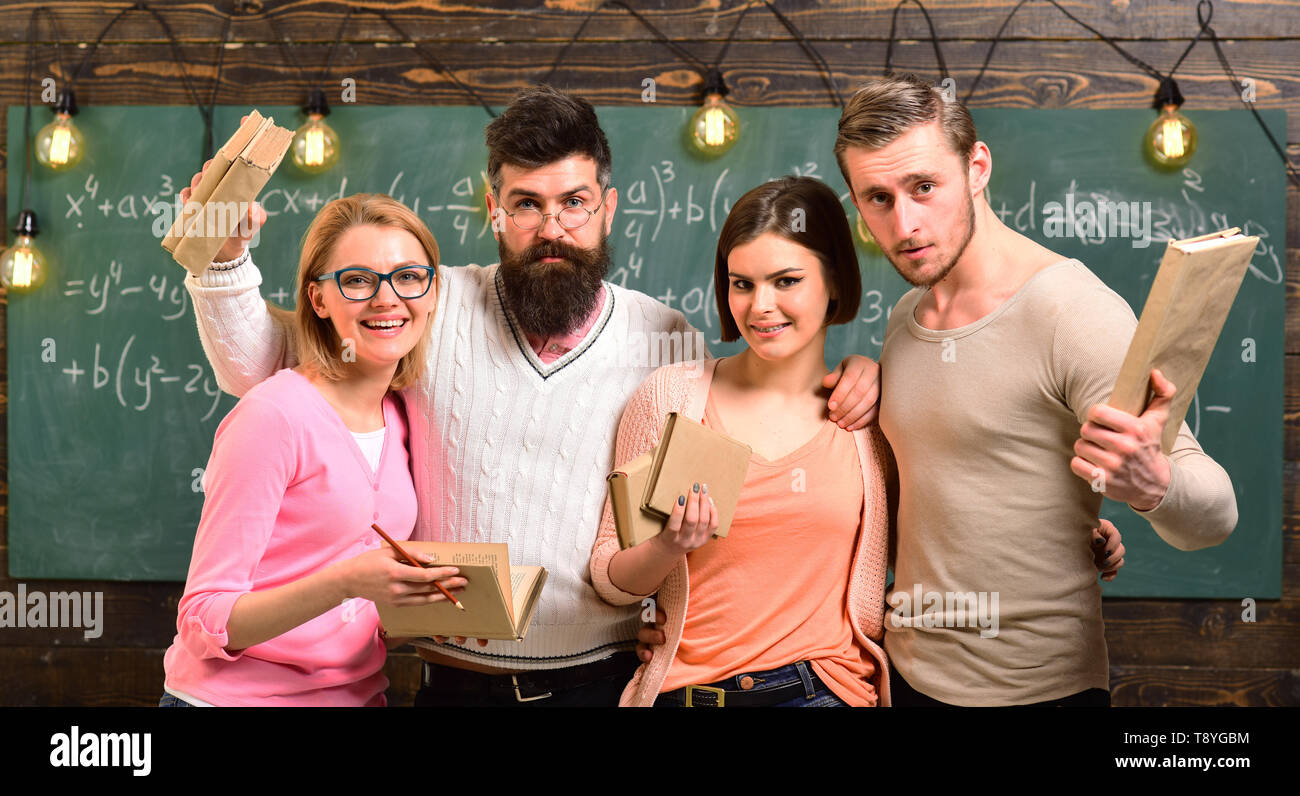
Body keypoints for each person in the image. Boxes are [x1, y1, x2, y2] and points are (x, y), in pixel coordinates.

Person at [178, 85, 884, 706]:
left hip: (599, 680)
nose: (552, 227)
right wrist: (224, 258)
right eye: (526, 204)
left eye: (574, 202)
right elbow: (269, 367)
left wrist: (852, 375)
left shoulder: (666, 339)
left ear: (607, 208)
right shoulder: (429, 305)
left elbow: (712, 475)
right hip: (450, 679)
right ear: (493, 209)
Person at [833, 74, 1237, 706]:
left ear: (977, 167)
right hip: (907, 677)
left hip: (1040, 692)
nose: (905, 223)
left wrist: (1153, 485)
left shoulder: (1070, 310)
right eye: (878, 198)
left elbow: (1217, 513)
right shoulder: (903, 318)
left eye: (924, 187)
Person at [590, 177, 892, 707]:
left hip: (823, 690)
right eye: (743, 284)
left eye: (786, 281)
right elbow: (612, 577)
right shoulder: (672, 398)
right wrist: (667, 548)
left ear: (836, 282)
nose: (760, 307)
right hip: (689, 692)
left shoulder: (867, 419)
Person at [161, 194, 464, 706]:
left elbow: (354, 614)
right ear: (319, 301)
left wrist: (445, 614)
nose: (387, 298)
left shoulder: (400, 418)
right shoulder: (273, 415)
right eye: (358, 280)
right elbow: (202, 619)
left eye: (409, 277)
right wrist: (345, 582)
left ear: (432, 294)